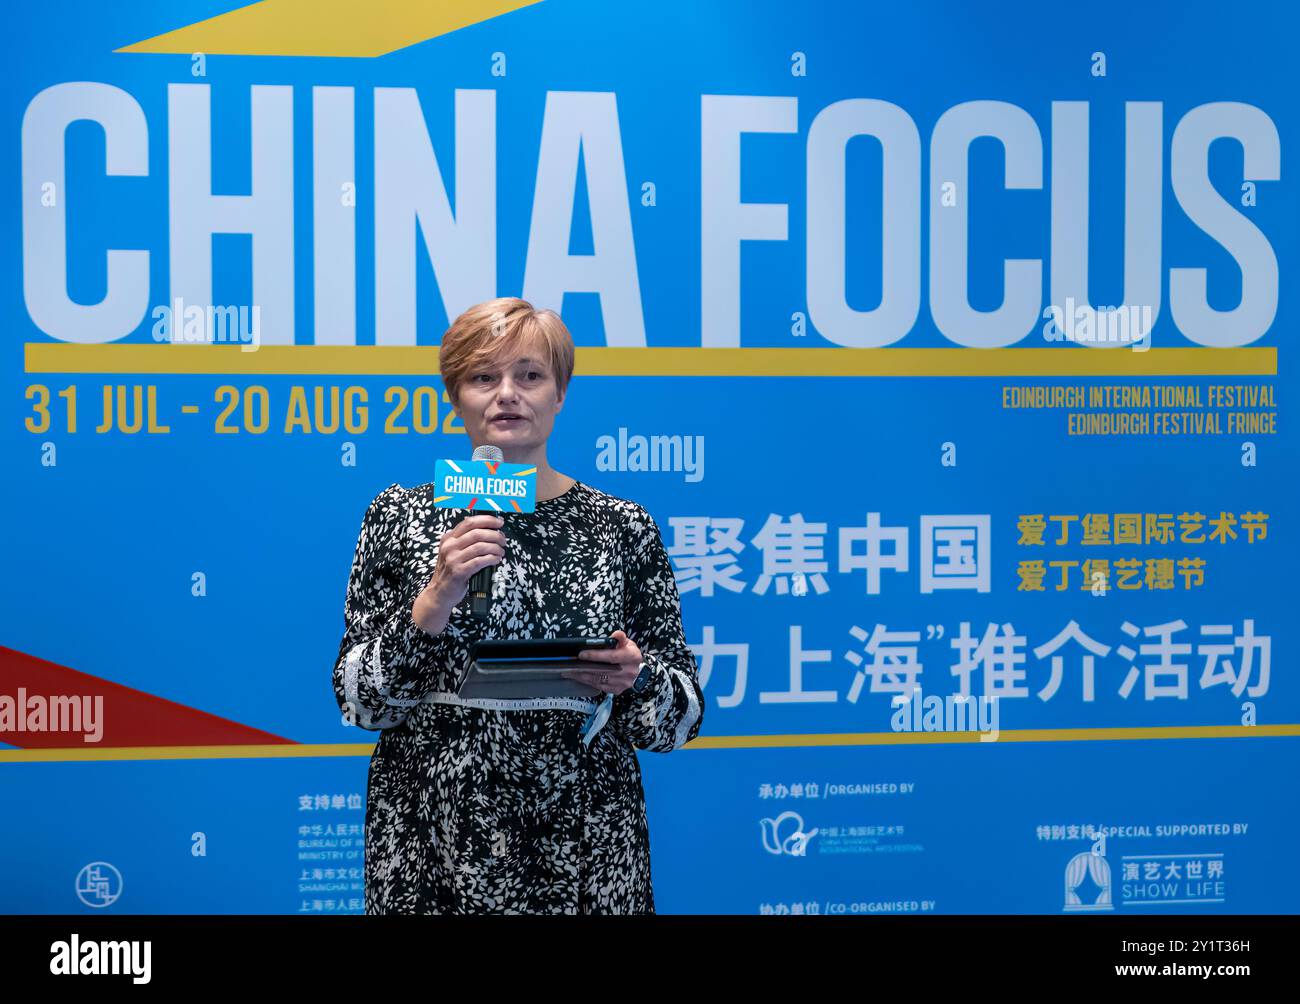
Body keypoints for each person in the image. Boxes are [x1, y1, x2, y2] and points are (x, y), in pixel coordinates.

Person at [331, 297, 704, 914]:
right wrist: (433, 599)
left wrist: (636, 678)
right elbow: (357, 701)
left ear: (560, 394)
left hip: (583, 828)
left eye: (530, 376)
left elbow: (681, 720)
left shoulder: (619, 525)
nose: (508, 393)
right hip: (433, 831)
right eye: (484, 377)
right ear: (454, 396)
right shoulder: (398, 516)